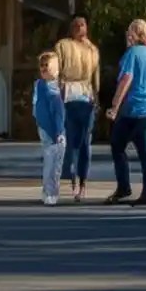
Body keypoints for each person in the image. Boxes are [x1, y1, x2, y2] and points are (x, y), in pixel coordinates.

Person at [106, 19, 146, 206]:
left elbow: (126, 79)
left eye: (129, 32)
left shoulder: (131, 54)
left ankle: (125, 187)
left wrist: (115, 106)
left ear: (133, 34)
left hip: (132, 110)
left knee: (117, 146)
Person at [54, 17, 100, 202]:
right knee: (76, 142)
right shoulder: (67, 47)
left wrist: (96, 96)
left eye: (82, 25)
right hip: (76, 96)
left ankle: (79, 183)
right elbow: (57, 71)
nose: (80, 28)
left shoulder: (88, 49)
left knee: (80, 143)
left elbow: (95, 77)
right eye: (78, 25)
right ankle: (76, 181)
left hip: (79, 96)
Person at [33, 51, 67, 206]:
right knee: (53, 161)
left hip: (49, 127)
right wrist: (57, 131)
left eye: (47, 66)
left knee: (52, 160)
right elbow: (55, 112)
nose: (44, 69)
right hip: (52, 129)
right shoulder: (50, 89)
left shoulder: (43, 85)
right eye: (43, 66)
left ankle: (49, 190)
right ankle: (50, 192)